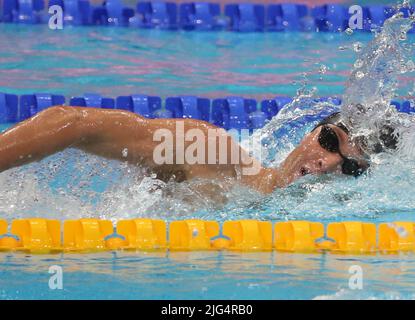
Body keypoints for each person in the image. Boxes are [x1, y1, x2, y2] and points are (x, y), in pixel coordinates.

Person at [0, 105, 382, 194]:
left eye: (351, 168)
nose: (327, 161)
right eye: (329, 141)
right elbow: (74, 122)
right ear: (310, 133)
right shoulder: (210, 152)